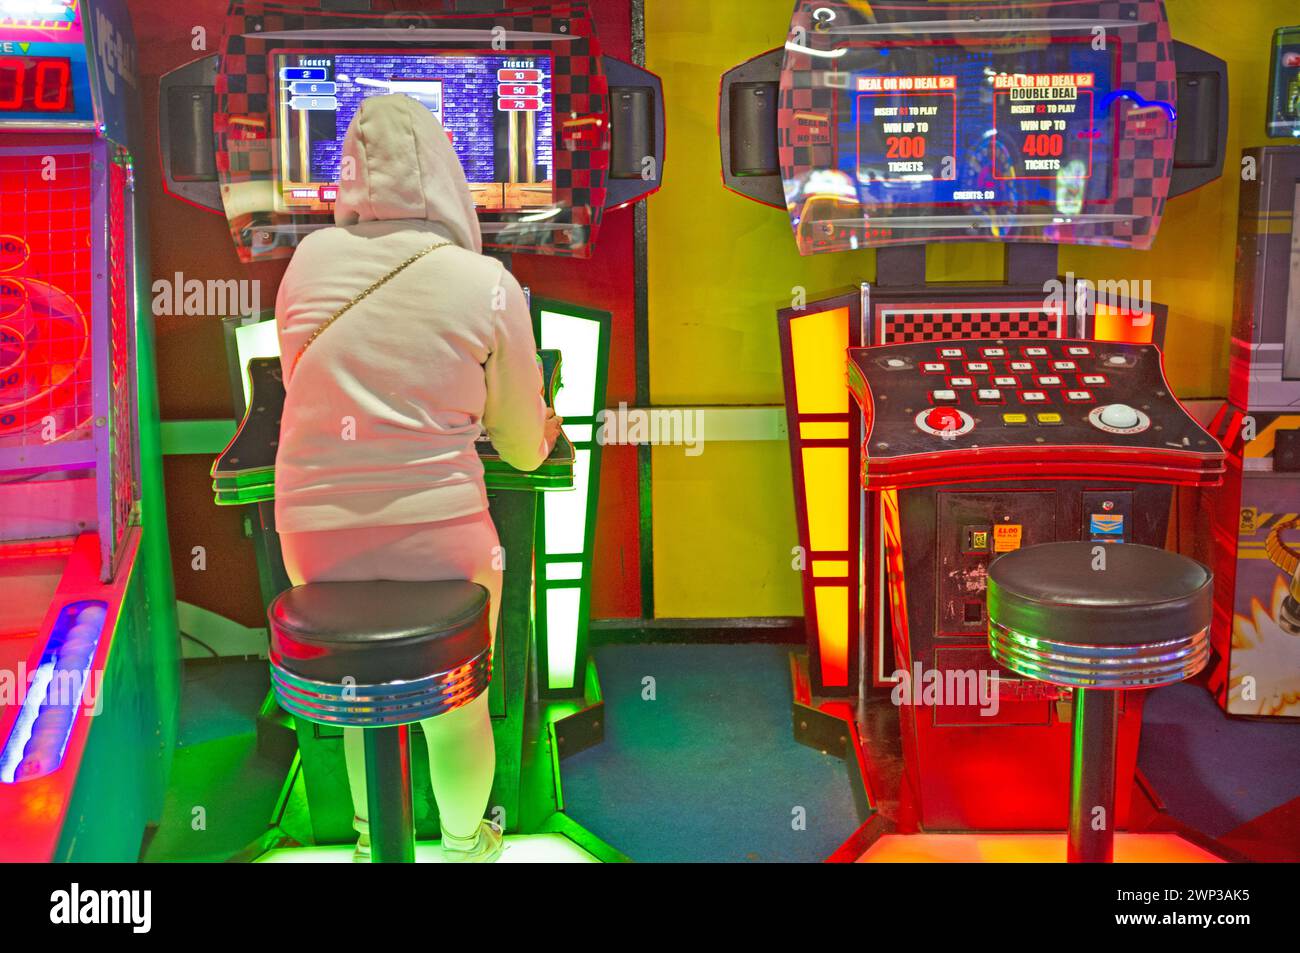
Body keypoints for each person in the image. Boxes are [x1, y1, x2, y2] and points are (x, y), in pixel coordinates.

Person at [273, 93, 562, 863]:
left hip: (312, 538)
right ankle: (468, 845)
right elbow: (527, 449)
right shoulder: (485, 280)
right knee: (455, 706)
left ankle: (374, 843)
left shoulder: (305, 261)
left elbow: (307, 379)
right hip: (442, 539)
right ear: (445, 174)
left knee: (368, 704)